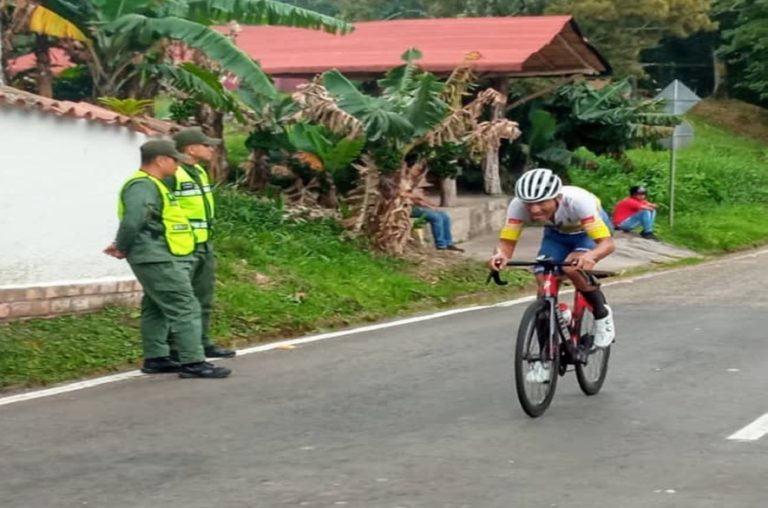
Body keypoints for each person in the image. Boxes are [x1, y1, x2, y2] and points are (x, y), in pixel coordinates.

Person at [104, 139, 231, 379]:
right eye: (175, 161)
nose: (177, 166)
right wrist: (121, 246)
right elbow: (133, 220)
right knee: (185, 305)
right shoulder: (142, 185)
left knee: (155, 306)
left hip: (162, 253)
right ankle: (193, 361)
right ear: (161, 160)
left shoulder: (155, 184)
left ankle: (157, 357)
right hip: (156, 255)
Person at [488, 168, 616, 382]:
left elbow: (607, 244)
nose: (534, 210)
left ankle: (602, 315)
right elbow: (507, 243)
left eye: (541, 203)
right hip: (557, 235)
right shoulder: (518, 206)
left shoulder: (579, 202)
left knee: (571, 268)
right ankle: (545, 354)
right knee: (543, 279)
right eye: (529, 204)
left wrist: (591, 256)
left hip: (587, 232)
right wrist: (500, 256)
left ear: (557, 197)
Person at [166, 127, 235, 359]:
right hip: (182, 246)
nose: (211, 149)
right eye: (206, 145)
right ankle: (177, 347)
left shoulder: (199, 172)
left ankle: (202, 341)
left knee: (203, 297)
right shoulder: (173, 173)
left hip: (204, 243)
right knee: (182, 300)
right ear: (191, 148)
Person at [407, 180, 464, 252]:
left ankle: (449, 243)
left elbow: (421, 201)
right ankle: (441, 245)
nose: (424, 190)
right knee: (435, 217)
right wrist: (417, 196)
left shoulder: (417, 190)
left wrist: (431, 206)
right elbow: (412, 198)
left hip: (416, 207)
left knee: (444, 215)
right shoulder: (405, 187)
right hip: (407, 209)